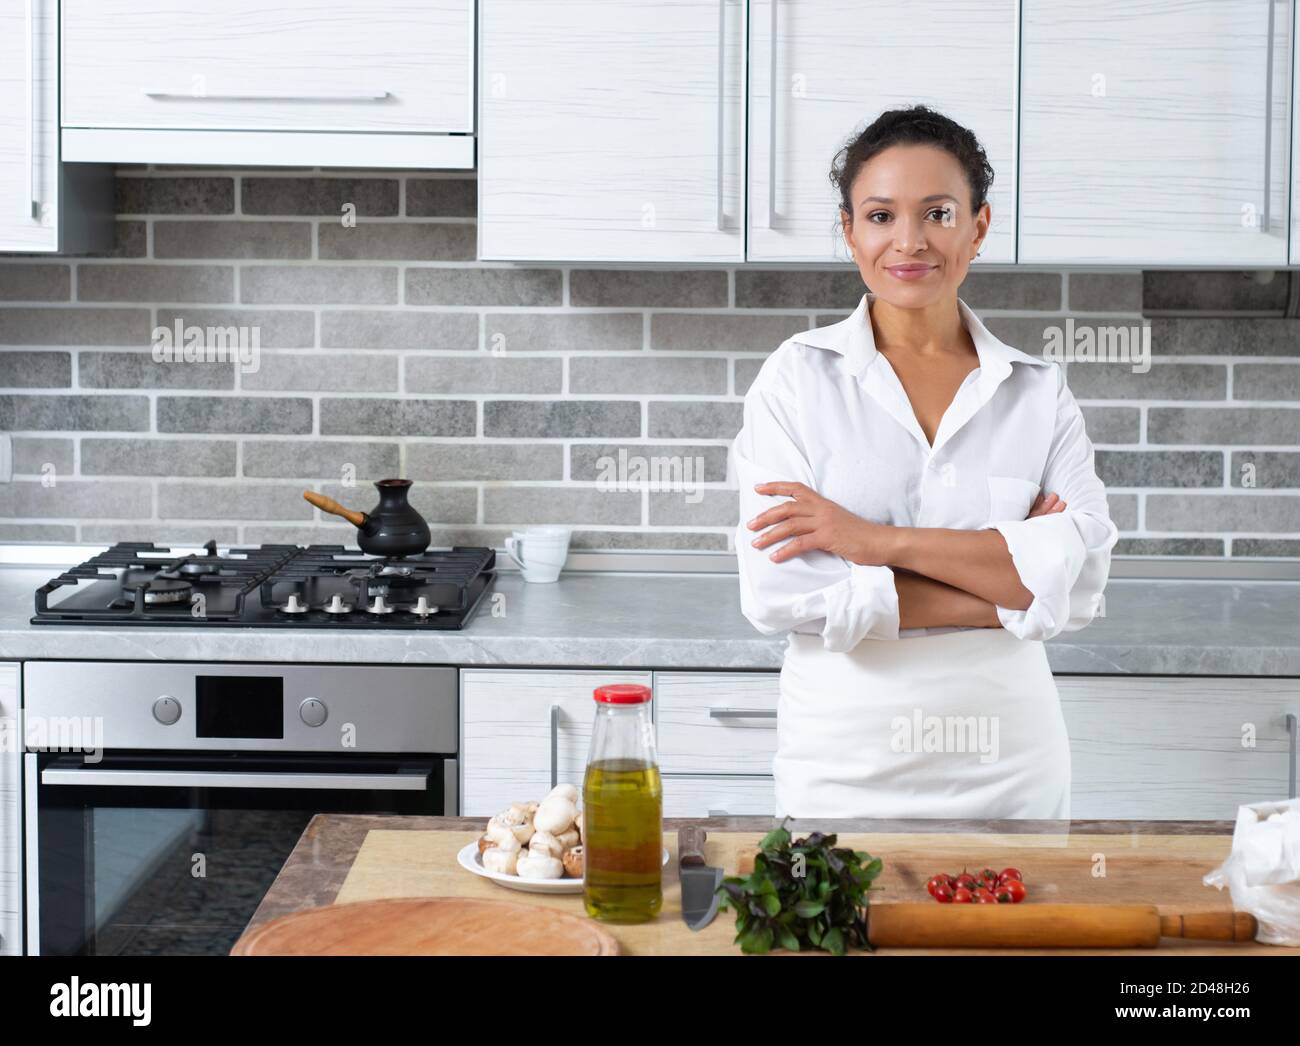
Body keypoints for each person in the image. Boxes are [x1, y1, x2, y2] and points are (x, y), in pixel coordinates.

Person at [733, 105, 1117, 819]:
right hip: (844, 769)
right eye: (881, 216)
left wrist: (875, 545)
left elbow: (1085, 583)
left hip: (1011, 772)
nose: (909, 241)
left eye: (937, 212)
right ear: (849, 231)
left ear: (978, 226)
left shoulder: (1038, 390)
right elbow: (780, 595)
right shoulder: (796, 380)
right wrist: (1013, 586)